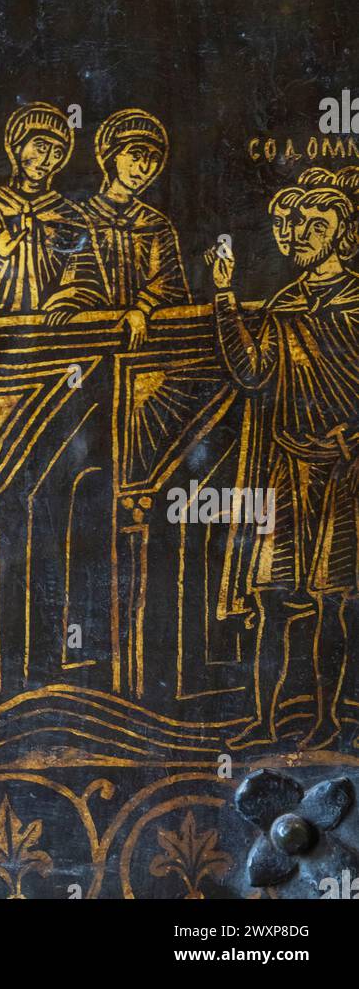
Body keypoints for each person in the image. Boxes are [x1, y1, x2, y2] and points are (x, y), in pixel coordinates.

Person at [207, 173, 359, 750]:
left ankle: (327, 722)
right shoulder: (286, 302)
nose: (304, 234)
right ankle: (266, 722)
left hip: (344, 472)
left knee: (332, 604)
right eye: (301, 224)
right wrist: (225, 295)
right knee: (273, 599)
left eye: (319, 226)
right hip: (287, 468)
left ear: (342, 236)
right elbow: (251, 373)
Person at [51, 109, 189, 347]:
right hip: (94, 341)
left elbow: (170, 286)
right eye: (135, 155)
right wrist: (69, 304)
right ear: (113, 155)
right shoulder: (80, 218)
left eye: (153, 158)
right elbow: (71, 281)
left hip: (147, 342)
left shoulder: (155, 224)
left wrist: (142, 308)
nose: (144, 167)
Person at [0, 103, 106, 316]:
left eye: (57, 152)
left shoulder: (70, 215)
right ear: (17, 145)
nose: (46, 160)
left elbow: (88, 278)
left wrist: (68, 301)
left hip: (55, 329)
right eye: (40, 146)